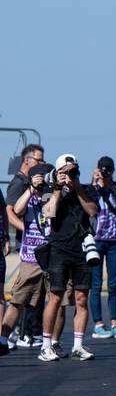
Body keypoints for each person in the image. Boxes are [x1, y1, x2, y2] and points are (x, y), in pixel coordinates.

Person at [38, 154, 99, 362]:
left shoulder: (86, 190)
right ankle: (46, 346)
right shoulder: (49, 191)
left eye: (74, 170)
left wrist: (78, 188)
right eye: (66, 171)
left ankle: (78, 346)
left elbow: (92, 211)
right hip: (59, 248)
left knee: (82, 299)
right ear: (57, 172)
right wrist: (57, 188)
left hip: (82, 249)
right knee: (55, 297)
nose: (71, 175)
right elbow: (48, 213)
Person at [4, 143, 45, 350]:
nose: (41, 164)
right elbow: (10, 212)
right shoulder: (19, 183)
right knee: (22, 294)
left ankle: (28, 332)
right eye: (39, 160)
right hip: (27, 245)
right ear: (27, 160)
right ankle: (12, 335)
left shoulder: (32, 182)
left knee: (36, 295)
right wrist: (27, 228)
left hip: (39, 244)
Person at [88, 156, 116, 339]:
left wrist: (110, 184)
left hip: (115, 240)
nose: (106, 173)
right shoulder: (93, 188)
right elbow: (87, 203)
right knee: (96, 284)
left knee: (113, 284)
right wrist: (94, 182)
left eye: (109, 171)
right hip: (97, 239)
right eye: (103, 170)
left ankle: (114, 323)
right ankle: (98, 323)